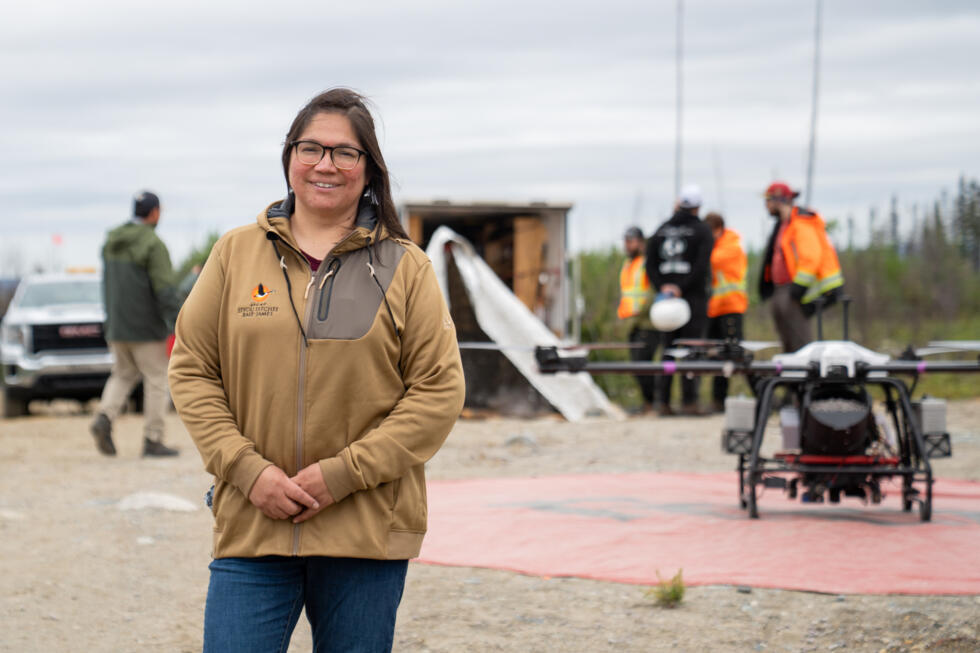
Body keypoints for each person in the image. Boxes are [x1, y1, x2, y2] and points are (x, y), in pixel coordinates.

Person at [168, 88, 465, 653]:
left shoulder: (406, 267)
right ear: (289, 158)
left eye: (344, 152)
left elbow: (438, 392)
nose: (325, 164)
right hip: (254, 525)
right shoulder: (235, 253)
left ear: (368, 168)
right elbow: (192, 369)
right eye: (311, 148)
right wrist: (246, 470)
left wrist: (341, 475)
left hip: (365, 532)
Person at [90, 190, 181, 457]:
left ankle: (104, 417)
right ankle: (153, 439)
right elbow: (165, 290)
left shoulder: (111, 242)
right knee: (156, 379)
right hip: (146, 328)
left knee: (122, 374)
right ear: (154, 213)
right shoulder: (153, 244)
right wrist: (177, 322)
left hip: (116, 326)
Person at [645, 184, 714, 416]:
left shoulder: (662, 229)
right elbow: (702, 266)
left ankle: (662, 402)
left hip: (665, 301)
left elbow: (650, 264)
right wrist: (681, 288)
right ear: (697, 207)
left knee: (668, 349)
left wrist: (664, 287)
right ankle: (689, 402)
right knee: (692, 349)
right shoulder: (703, 230)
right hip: (691, 298)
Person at [758, 181, 844, 354]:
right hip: (781, 290)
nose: (766, 205)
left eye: (768, 200)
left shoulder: (801, 223)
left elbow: (811, 258)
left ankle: (805, 380)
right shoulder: (783, 225)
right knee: (788, 344)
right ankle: (792, 380)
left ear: (779, 200)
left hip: (794, 291)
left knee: (800, 345)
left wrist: (798, 289)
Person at [703, 212, 748, 413]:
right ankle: (717, 400)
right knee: (716, 356)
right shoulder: (716, 245)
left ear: (718, 229)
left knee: (737, 355)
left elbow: (712, 261)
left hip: (731, 308)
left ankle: (760, 390)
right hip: (715, 309)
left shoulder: (731, 245)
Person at [617, 226, 658, 414]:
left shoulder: (646, 263)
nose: (627, 245)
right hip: (631, 323)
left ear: (641, 242)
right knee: (636, 366)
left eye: (630, 240)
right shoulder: (628, 265)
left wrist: (642, 312)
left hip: (647, 323)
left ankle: (653, 403)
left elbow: (650, 292)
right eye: (626, 240)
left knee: (644, 364)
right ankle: (648, 402)